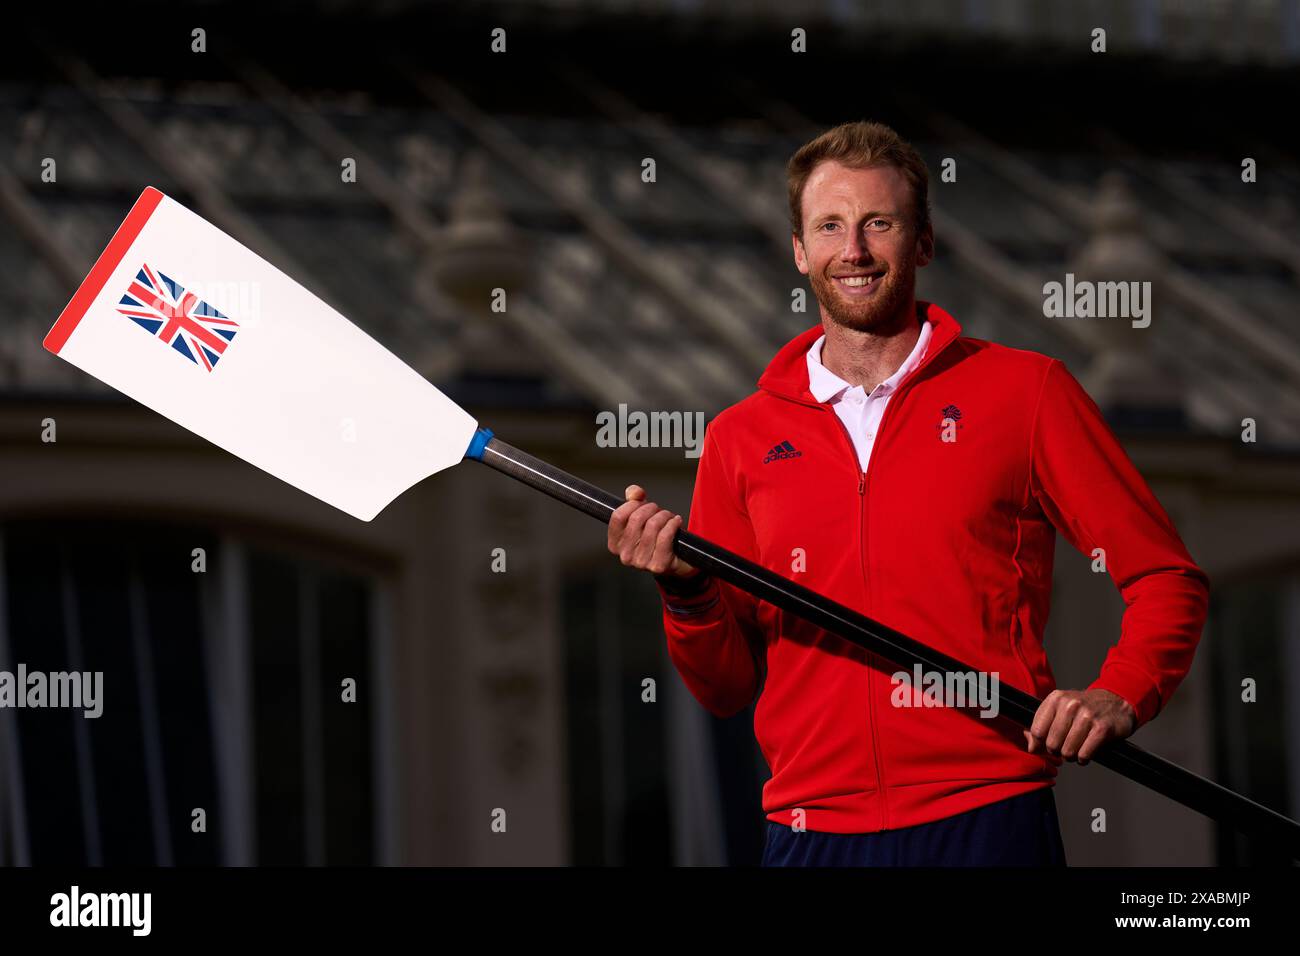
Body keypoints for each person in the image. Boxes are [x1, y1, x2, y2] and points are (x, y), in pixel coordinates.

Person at [606, 120, 1209, 866]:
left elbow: (1165, 578)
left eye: (878, 224)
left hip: (986, 817)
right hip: (808, 835)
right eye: (829, 226)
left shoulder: (1025, 393)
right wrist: (684, 591)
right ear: (799, 251)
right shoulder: (741, 436)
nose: (853, 250)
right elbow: (726, 687)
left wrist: (1119, 691)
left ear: (922, 243)